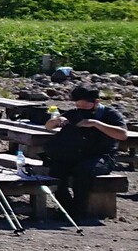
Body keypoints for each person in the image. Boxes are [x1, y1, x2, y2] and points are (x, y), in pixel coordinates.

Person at [42, 85, 128, 216]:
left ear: (96, 102)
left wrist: (96, 124)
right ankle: (66, 207)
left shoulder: (110, 114)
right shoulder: (75, 113)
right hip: (76, 154)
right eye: (78, 105)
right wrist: (57, 120)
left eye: (85, 106)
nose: (81, 109)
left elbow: (123, 135)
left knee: (83, 171)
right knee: (56, 170)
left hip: (102, 156)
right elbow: (48, 126)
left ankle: (79, 208)